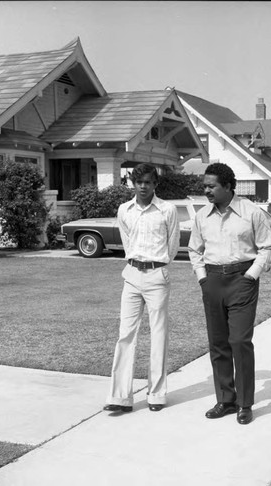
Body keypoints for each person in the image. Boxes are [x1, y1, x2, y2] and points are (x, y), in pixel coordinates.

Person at [188, 163, 271, 425]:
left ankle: (244, 403)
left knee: (239, 341)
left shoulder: (251, 213)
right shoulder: (202, 216)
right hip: (213, 281)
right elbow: (194, 250)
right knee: (218, 343)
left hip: (242, 280)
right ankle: (226, 400)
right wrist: (203, 278)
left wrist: (252, 275)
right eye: (205, 186)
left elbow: (267, 247)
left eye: (211, 186)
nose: (206, 190)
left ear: (227, 186)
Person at [104, 163, 180, 413]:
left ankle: (157, 394)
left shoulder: (167, 210)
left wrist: (157, 265)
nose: (144, 186)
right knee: (125, 334)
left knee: (158, 335)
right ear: (133, 184)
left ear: (155, 184)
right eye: (139, 182)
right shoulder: (124, 210)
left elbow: (173, 245)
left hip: (157, 275)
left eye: (148, 182)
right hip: (132, 275)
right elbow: (127, 241)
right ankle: (120, 397)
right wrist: (137, 263)